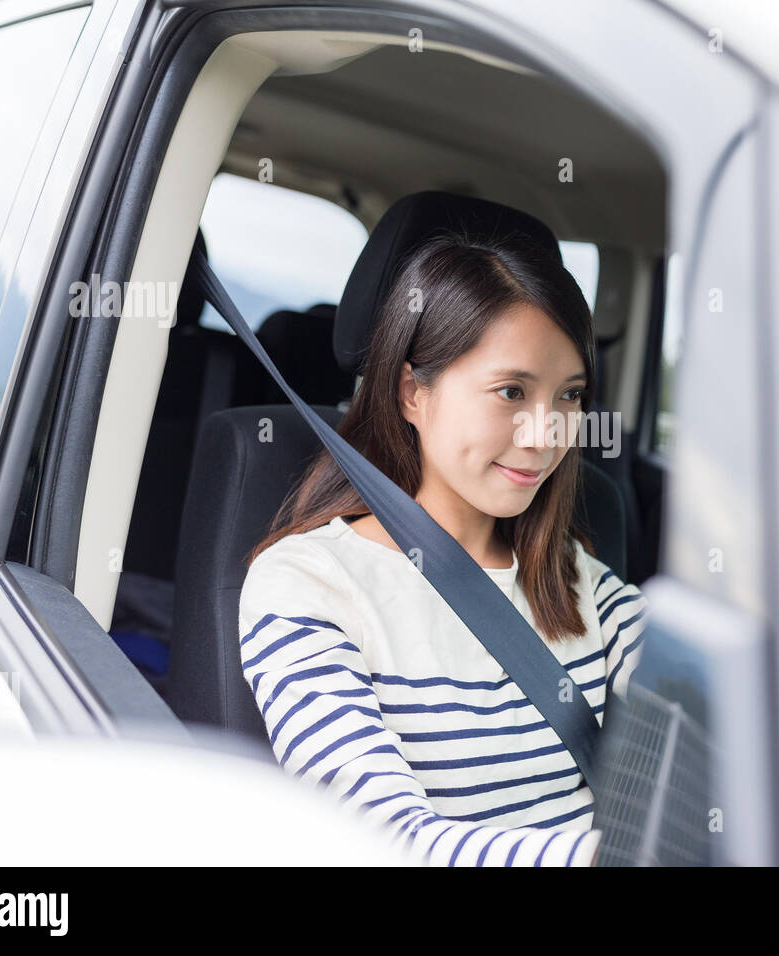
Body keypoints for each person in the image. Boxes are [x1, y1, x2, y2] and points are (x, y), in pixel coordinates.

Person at [238, 230, 644, 866]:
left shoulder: (577, 578)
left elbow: (704, 697)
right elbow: (381, 844)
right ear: (411, 392)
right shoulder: (306, 584)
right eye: (512, 391)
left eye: (568, 395)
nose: (547, 434)